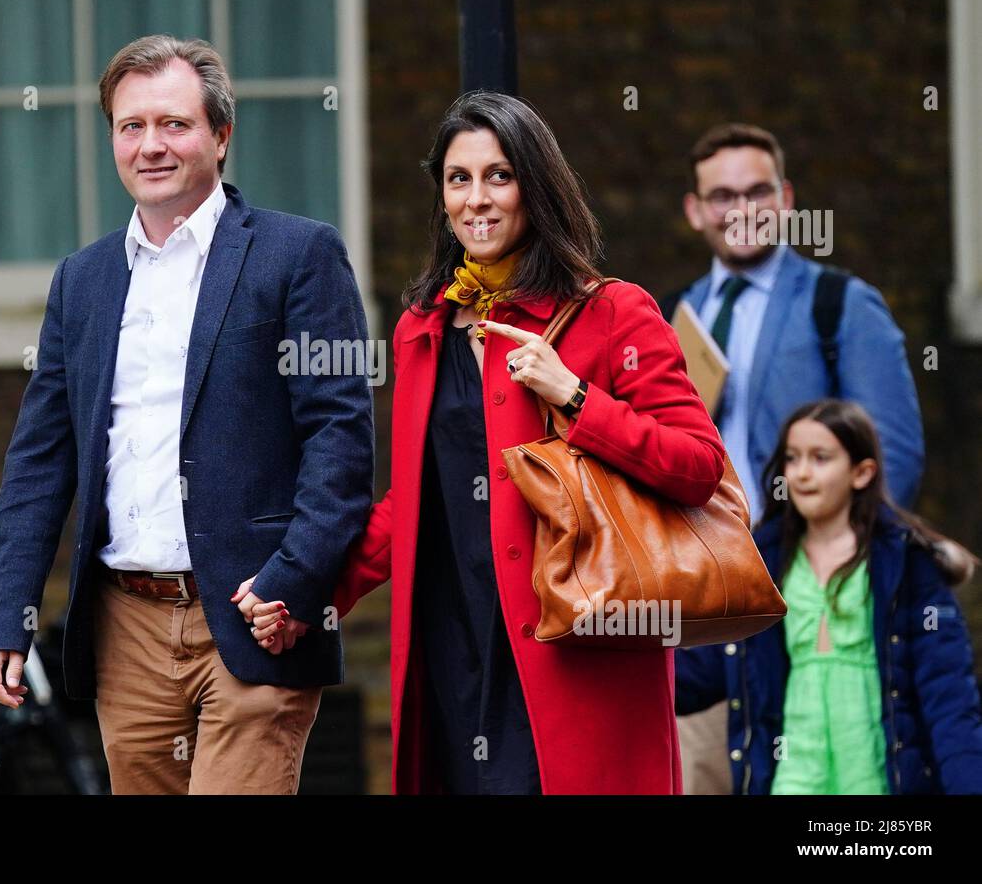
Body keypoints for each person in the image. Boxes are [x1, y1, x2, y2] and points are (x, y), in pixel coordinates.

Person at [276, 90, 725, 793]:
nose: (477, 199)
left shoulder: (612, 313)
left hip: (576, 648)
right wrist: (312, 592)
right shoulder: (422, 329)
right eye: (459, 179)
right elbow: (415, 500)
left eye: (499, 176)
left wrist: (575, 397)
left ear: (534, 188)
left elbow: (698, 466)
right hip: (455, 646)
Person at [0, 35, 375, 794]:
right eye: (131, 126)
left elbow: (340, 441)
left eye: (174, 124)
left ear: (221, 135)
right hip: (126, 627)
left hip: (256, 615)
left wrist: (293, 577)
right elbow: (39, 461)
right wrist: (5, 617)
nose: (151, 145)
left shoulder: (300, 256)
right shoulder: (81, 281)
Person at [663, 123, 926, 793]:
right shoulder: (670, 319)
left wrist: (831, 570)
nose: (740, 209)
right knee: (703, 777)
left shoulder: (840, 305)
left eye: (756, 191)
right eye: (720, 196)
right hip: (702, 602)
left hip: (809, 598)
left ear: (785, 200)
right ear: (695, 210)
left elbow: (892, 453)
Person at [676, 398, 982, 794]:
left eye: (820, 458)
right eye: (792, 458)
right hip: (791, 780)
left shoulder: (908, 565)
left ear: (861, 472)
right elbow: (709, 669)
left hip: (879, 785)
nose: (802, 474)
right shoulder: (762, 563)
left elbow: (948, 698)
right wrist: (618, 649)